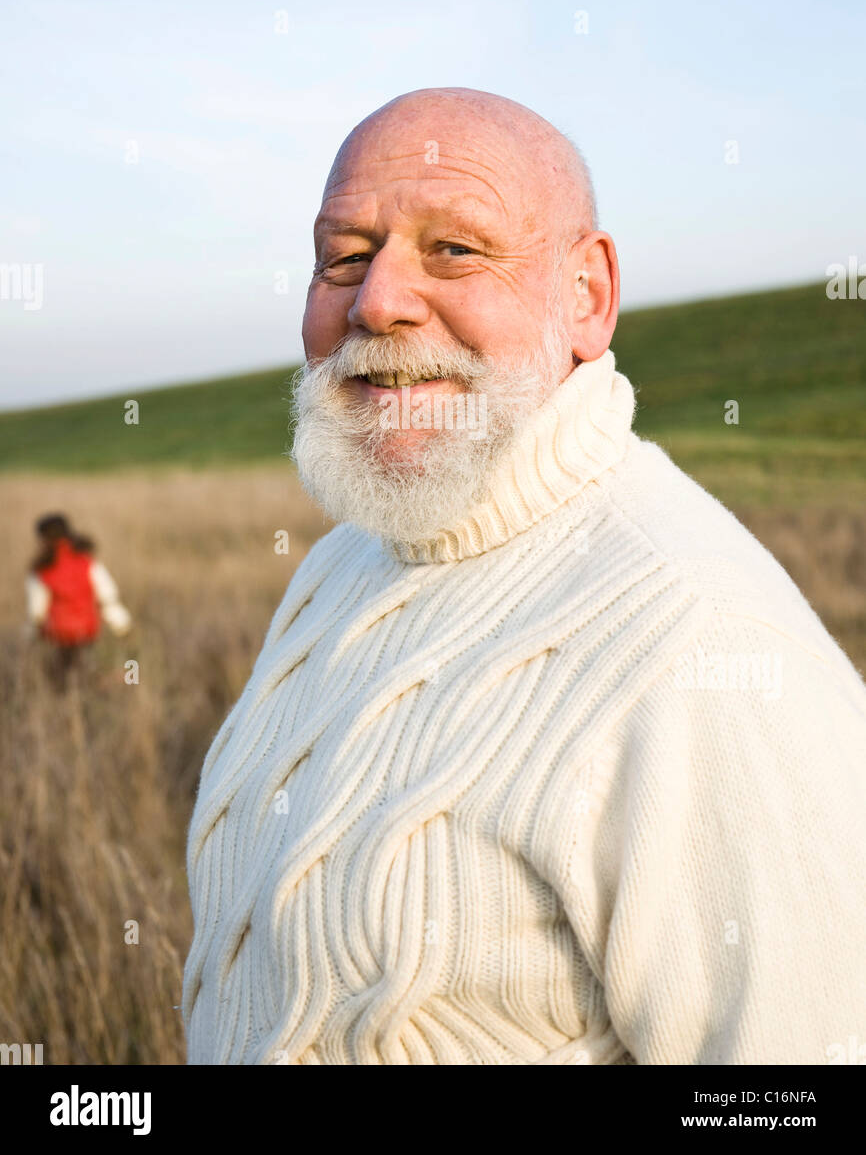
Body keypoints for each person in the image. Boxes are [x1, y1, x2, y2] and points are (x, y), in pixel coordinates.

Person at [182, 87, 866, 1065]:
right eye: (345, 256)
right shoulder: (340, 564)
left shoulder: (700, 645)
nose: (376, 301)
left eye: (455, 249)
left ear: (586, 294)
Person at [26, 513, 132, 691]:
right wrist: (122, 625)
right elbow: (107, 596)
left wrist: (31, 636)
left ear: (43, 539)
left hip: (56, 634)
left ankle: (66, 700)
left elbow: (36, 612)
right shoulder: (87, 562)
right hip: (86, 632)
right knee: (86, 676)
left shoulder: (41, 570)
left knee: (59, 681)